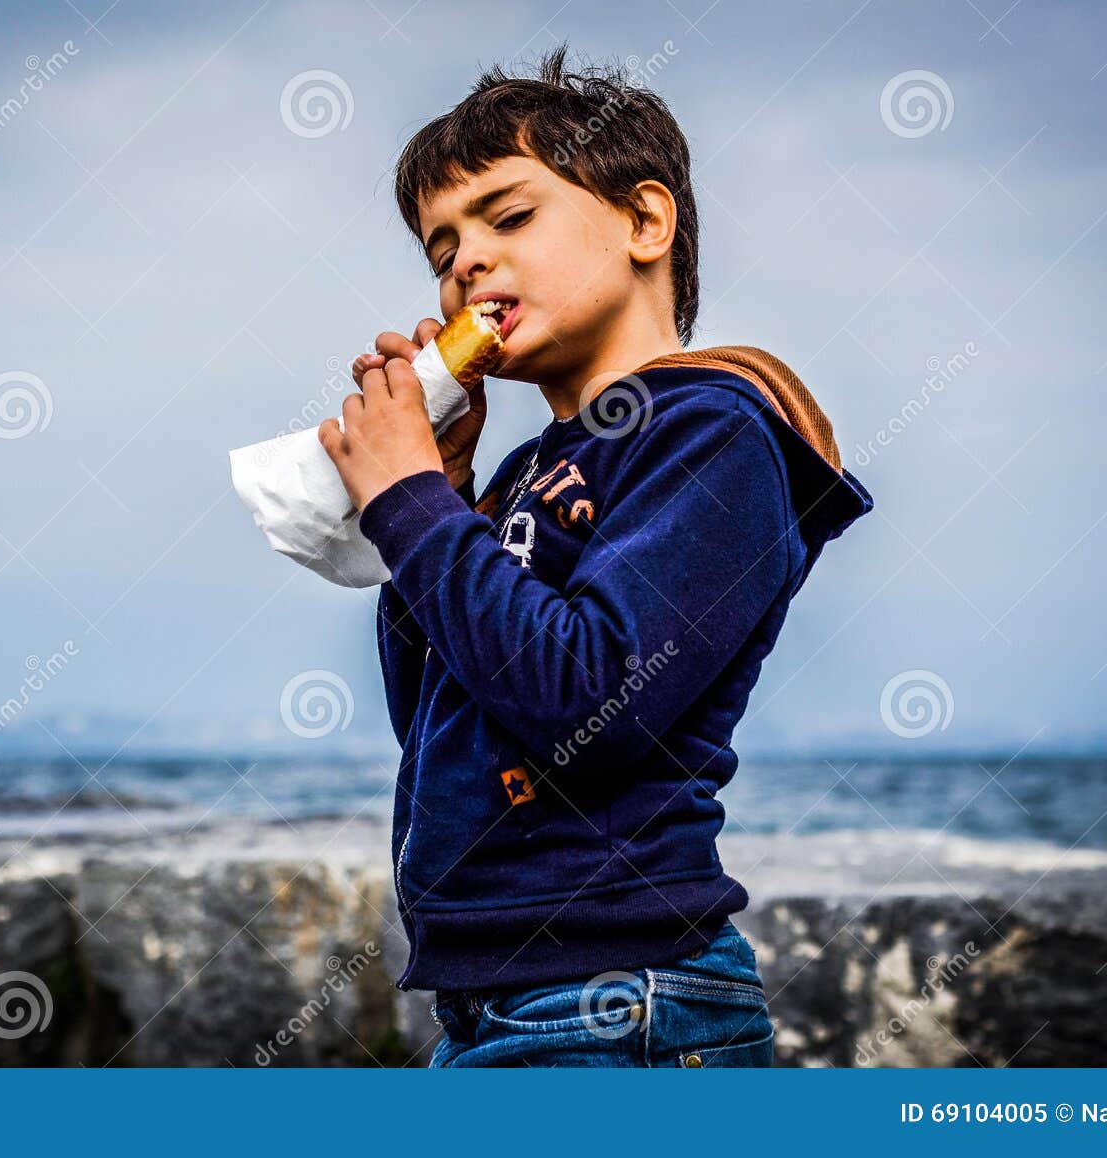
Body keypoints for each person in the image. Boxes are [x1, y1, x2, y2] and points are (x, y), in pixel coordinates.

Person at [317, 44, 873, 1067]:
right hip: (492, 1000)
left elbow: (589, 701)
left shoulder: (708, 434)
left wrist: (406, 503)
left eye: (509, 217)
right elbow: (442, 713)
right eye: (441, 250)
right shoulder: (533, 468)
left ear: (643, 223)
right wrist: (439, 496)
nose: (465, 264)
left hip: (617, 1000)